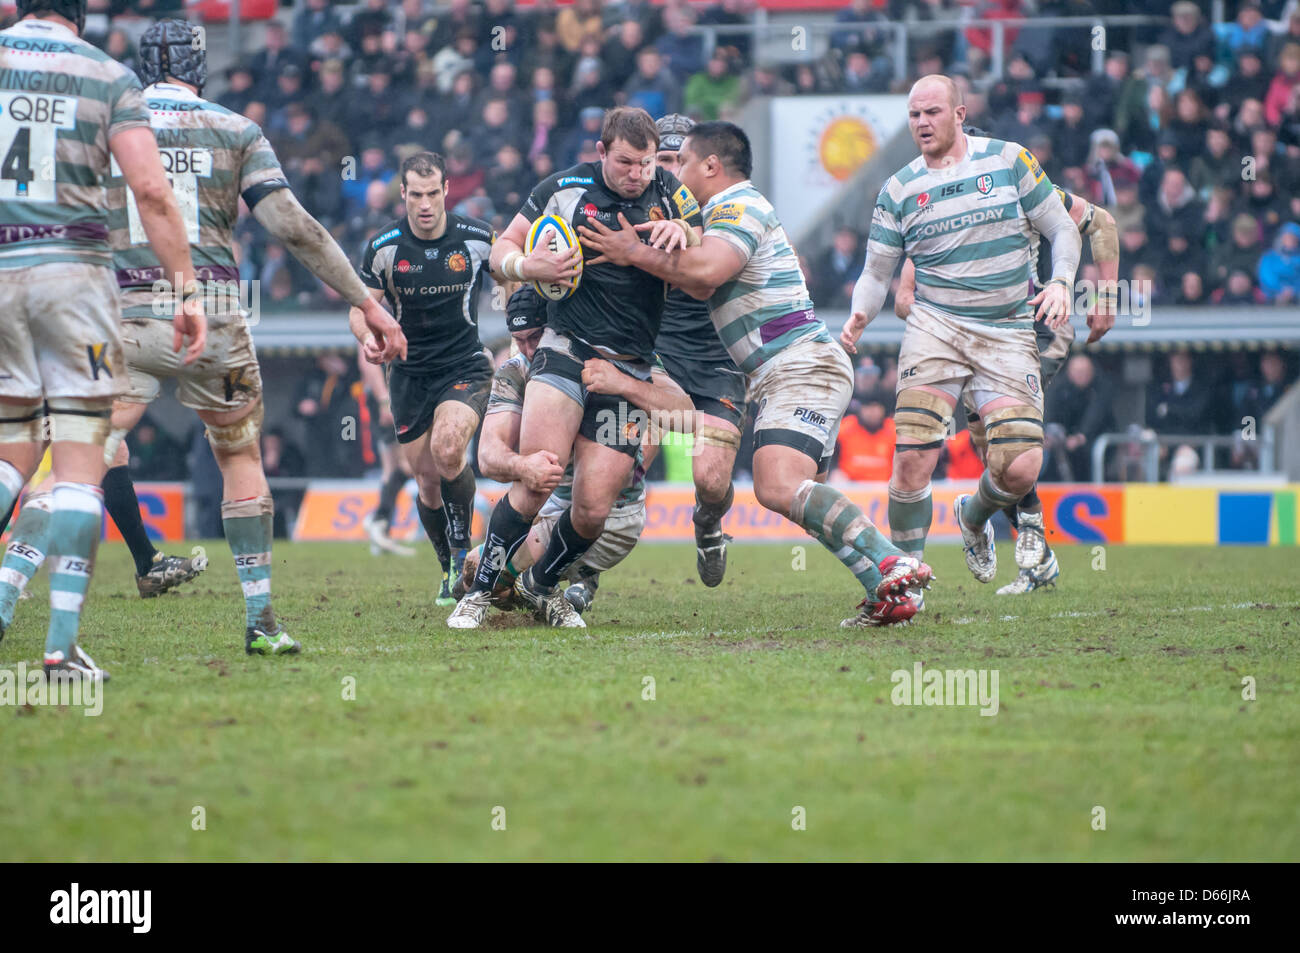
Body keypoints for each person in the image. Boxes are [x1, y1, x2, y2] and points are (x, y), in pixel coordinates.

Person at [4, 18, 406, 658]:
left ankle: (6, 597)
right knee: (240, 457)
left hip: (120, 313)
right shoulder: (235, 129)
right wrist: (366, 300)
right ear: (200, 68)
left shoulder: (111, 114)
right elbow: (295, 229)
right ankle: (262, 622)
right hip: (212, 311)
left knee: (83, 457)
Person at [579, 121, 932, 628]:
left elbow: (706, 274)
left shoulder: (738, 206)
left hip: (798, 366)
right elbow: (699, 285)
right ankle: (888, 589)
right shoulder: (720, 213)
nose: (673, 177)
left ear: (710, 166)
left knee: (776, 485)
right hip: (790, 371)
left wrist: (633, 253)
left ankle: (894, 560)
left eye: (681, 164)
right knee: (800, 499)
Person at [0, 0, 204, 681]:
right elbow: (150, 190)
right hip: (72, 282)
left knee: (12, 454)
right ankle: (57, 650)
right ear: (79, 14)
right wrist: (187, 290)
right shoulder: (106, 75)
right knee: (84, 458)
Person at [450, 107, 700, 630]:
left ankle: (540, 588)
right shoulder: (563, 189)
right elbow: (501, 250)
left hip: (628, 367)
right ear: (601, 153)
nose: (638, 175)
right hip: (566, 349)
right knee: (538, 476)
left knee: (590, 508)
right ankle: (474, 596)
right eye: (627, 163)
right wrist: (529, 267)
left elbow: (702, 249)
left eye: (647, 164)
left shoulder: (672, 193)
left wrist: (686, 235)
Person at [841, 75, 1084, 591]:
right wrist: (859, 314)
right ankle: (904, 582)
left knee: (1019, 467)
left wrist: (1063, 282)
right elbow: (876, 272)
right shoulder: (899, 189)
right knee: (912, 458)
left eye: (932, 112)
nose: (922, 123)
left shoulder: (1009, 160)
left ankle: (973, 518)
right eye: (913, 115)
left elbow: (1062, 227)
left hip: (1007, 329)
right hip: (935, 328)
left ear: (958, 113)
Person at [893, 151, 1119, 595]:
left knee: (1010, 443)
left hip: (1036, 330)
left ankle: (1018, 529)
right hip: (965, 343)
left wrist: (1106, 297)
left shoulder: (1020, 189)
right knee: (993, 452)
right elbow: (904, 299)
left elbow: (1102, 223)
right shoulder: (929, 216)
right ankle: (1001, 532)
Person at [457, 286, 691, 618]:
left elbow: (684, 416)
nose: (528, 348)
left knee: (592, 501)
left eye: (536, 336)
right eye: (519, 339)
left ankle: (573, 579)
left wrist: (625, 390)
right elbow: (488, 456)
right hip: (550, 505)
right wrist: (523, 466)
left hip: (611, 511)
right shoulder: (516, 371)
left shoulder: (619, 358)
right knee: (473, 571)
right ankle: (550, 588)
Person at [354, 151, 501, 607]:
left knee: (449, 449)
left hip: (464, 366)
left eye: (432, 193)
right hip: (409, 376)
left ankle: (464, 560)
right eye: (415, 194)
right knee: (426, 481)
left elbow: (511, 278)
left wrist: (522, 325)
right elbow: (362, 311)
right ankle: (446, 567)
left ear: (446, 190)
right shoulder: (384, 248)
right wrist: (367, 338)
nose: (424, 203)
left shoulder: (477, 238)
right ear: (403, 194)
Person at [647, 114, 748, 588]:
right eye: (661, 161)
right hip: (654, 356)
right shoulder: (631, 207)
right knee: (622, 466)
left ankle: (708, 523)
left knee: (710, 478)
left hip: (716, 359)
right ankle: (586, 574)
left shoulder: (724, 212)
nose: (668, 173)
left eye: (676, 161)